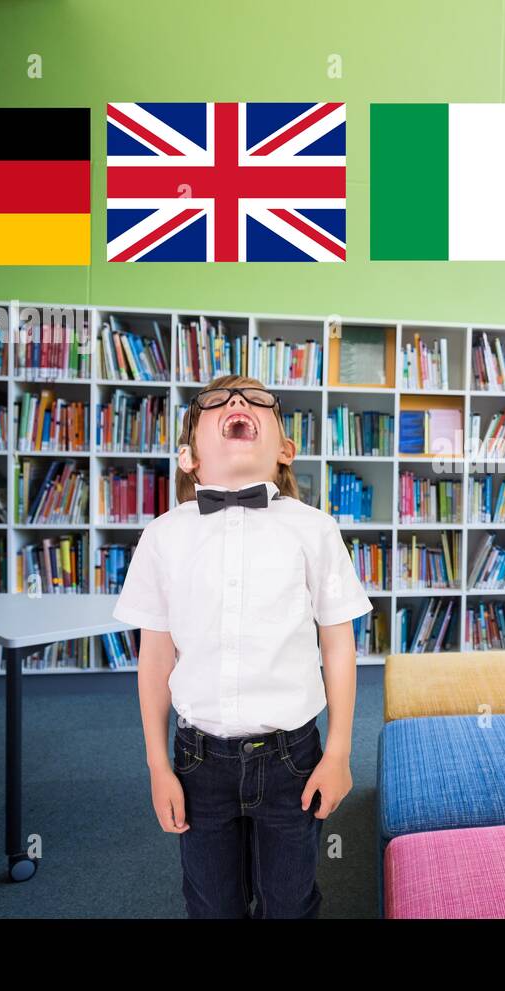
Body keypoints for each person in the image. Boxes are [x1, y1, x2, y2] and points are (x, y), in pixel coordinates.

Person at [113, 373, 373, 918]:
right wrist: (157, 766)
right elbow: (156, 657)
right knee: (211, 905)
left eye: (258, 401)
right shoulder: (163, 535)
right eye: (218, 402)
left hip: (292, 758)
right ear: (188, 456)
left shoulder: (314, 529)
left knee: (290, 901)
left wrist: (340, 752)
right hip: (196, 758)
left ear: (284, 450)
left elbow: (338, 644)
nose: (238, 403)